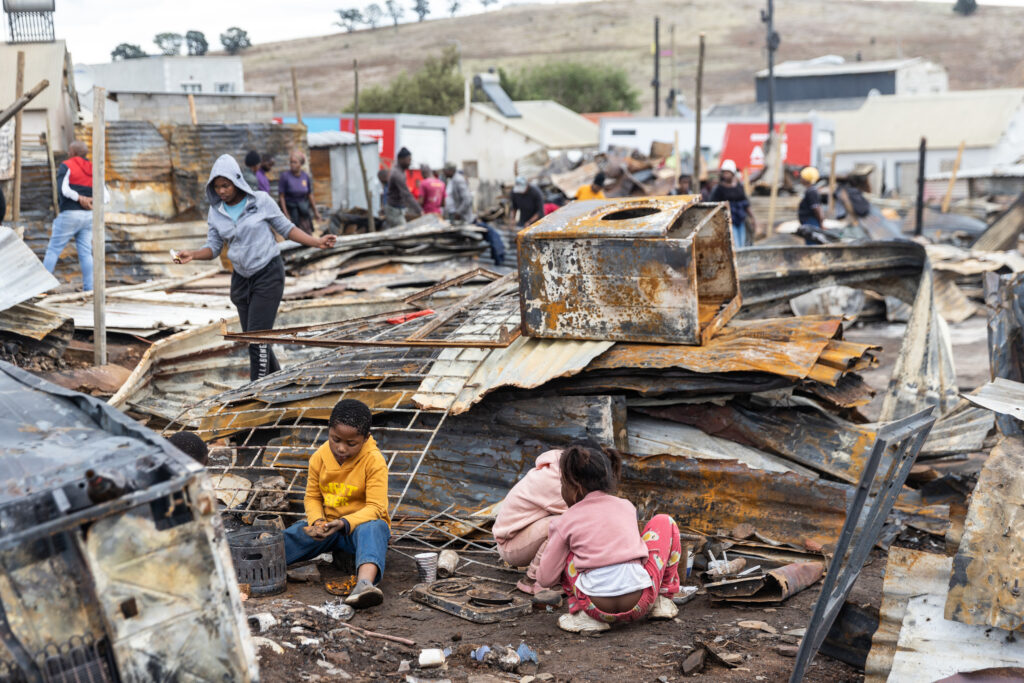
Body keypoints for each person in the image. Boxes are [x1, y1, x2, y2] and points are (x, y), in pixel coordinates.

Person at [171, 154, 336, 380]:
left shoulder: (260, 201)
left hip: (268, 274)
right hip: (241, 279)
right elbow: (214, 247)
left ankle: (255, 390)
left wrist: (316, 241)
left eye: (225, 185)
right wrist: (193, 254)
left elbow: (287, 229)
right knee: (256, 338)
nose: (221, 191)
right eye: (217, 187)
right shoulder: (215, 211)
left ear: (237, 181)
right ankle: (278, 382)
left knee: (256, 339)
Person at [536, 445, 682, 633]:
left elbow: (545, 579)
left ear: (575, 486)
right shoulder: (626, 506)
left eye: (563, 484)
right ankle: (662, 600)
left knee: (567, 550)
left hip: (594, 607)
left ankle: (582, 615)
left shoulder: (564, 522)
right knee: (664, 521)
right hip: (642, 602)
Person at [283, 399, 390, 609]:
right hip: (329, 528)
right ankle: (243, 565)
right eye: (335, 439)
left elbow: (376, 508)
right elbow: (313, 497)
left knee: (375, 527)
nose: (341, 448)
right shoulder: (319, 458)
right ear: (329, 431)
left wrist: (343, 523)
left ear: (365, 438)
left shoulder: (374, 461)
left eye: (351, 444)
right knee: (297, 533)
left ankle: (364, 585)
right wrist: (317, 522)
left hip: (358, 530)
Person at [494, 448, 568, 596]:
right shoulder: (553, 481)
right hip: (511, 545)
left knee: (566, 524)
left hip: (518, 536)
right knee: (563, 524)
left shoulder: (555, 470)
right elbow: (583, 514)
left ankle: (551, 575)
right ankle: (533, 580)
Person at [42, 140, 110, 291]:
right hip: (88, 216)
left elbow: (64, 190)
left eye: (69, 151)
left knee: (53, 250)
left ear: (72, 153)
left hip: (70, 215)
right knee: (86, 253)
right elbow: (106, 197)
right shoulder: (94, 168)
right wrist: (91, 200)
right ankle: (89, 289)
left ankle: (42, 290)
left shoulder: (67, 165)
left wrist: (80, 198)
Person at [710, 159, 757, 248]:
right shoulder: (719, 189)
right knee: (735, 245)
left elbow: (745, 204)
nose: (726, 174)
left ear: (733, 173)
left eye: (728, 172)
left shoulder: (739, 187)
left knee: (742, 244)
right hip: (728, 221)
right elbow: (714, 206)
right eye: (725, 172)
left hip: (740, 220)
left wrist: (753, 218)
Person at [278, 151, 322, 234]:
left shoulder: (305, 176)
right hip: (291, 210)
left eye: (295, 162)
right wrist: (286, 214)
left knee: (307, 234)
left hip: (303, 210)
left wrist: (315, 212)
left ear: (300, 164)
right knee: (294, 234)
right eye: (291, 162)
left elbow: (309, 194)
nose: (292, 164)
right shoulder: (285, 176)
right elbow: (282, 197)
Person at [386, 148, 421, 228]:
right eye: (408, 159)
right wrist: (419, 210)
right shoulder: (397, 174)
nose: (410, 162)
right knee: (402, 231)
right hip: (394, 209)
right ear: (401, 159)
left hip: (397, 208)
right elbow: (406, 194)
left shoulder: (401, 172)